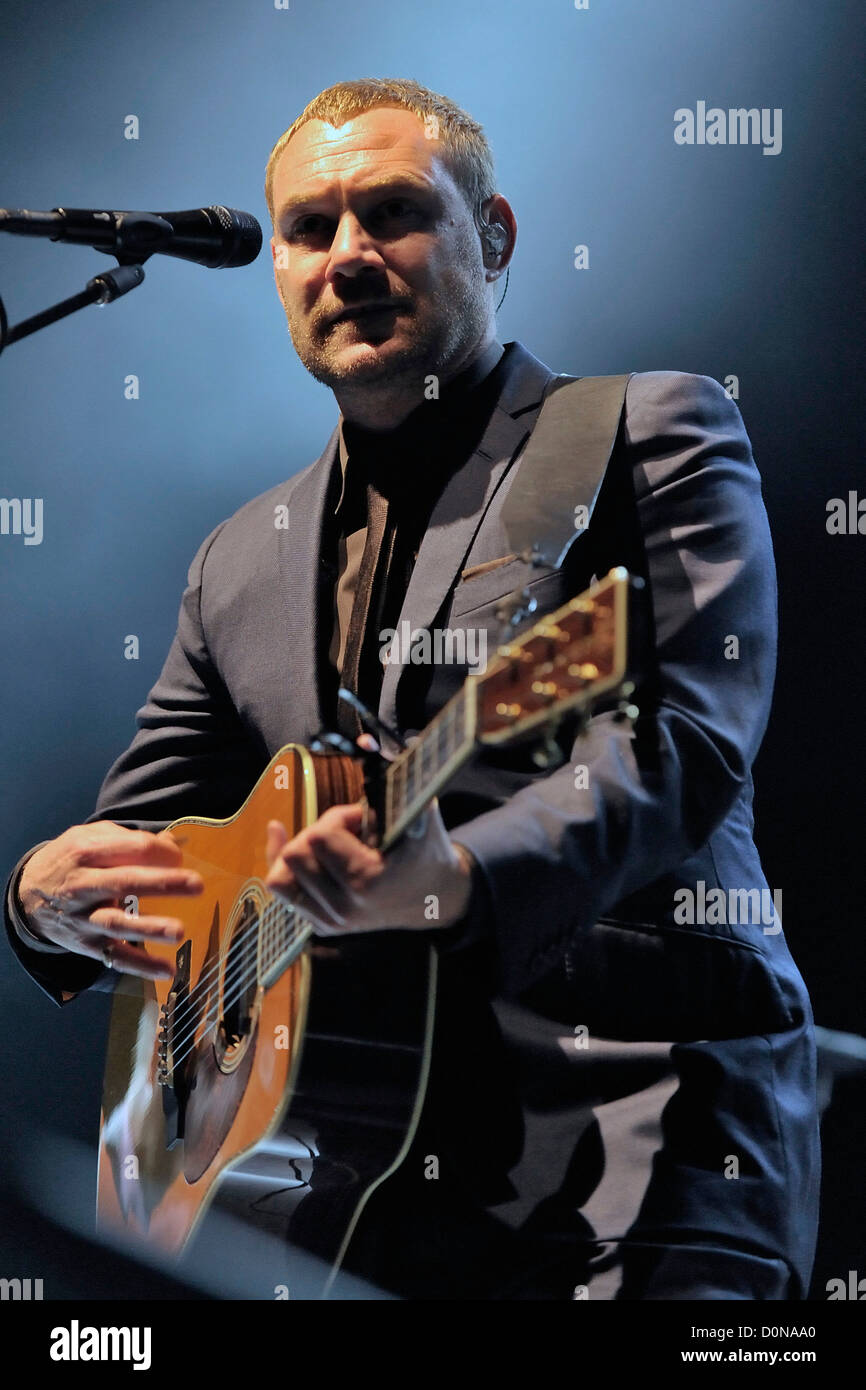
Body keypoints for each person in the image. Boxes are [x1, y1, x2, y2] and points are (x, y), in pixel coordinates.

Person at [4, 77, 819, 1300]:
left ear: (491, 238)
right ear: (274, 268)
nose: (346, 256)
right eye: (307, 229)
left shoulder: (639, 433)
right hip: (349, 1183)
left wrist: (457, 877)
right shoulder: (240, 557)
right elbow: (151, 843)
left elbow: (683, 744)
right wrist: (36, 897)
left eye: (392, 212)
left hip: (639, 1131)